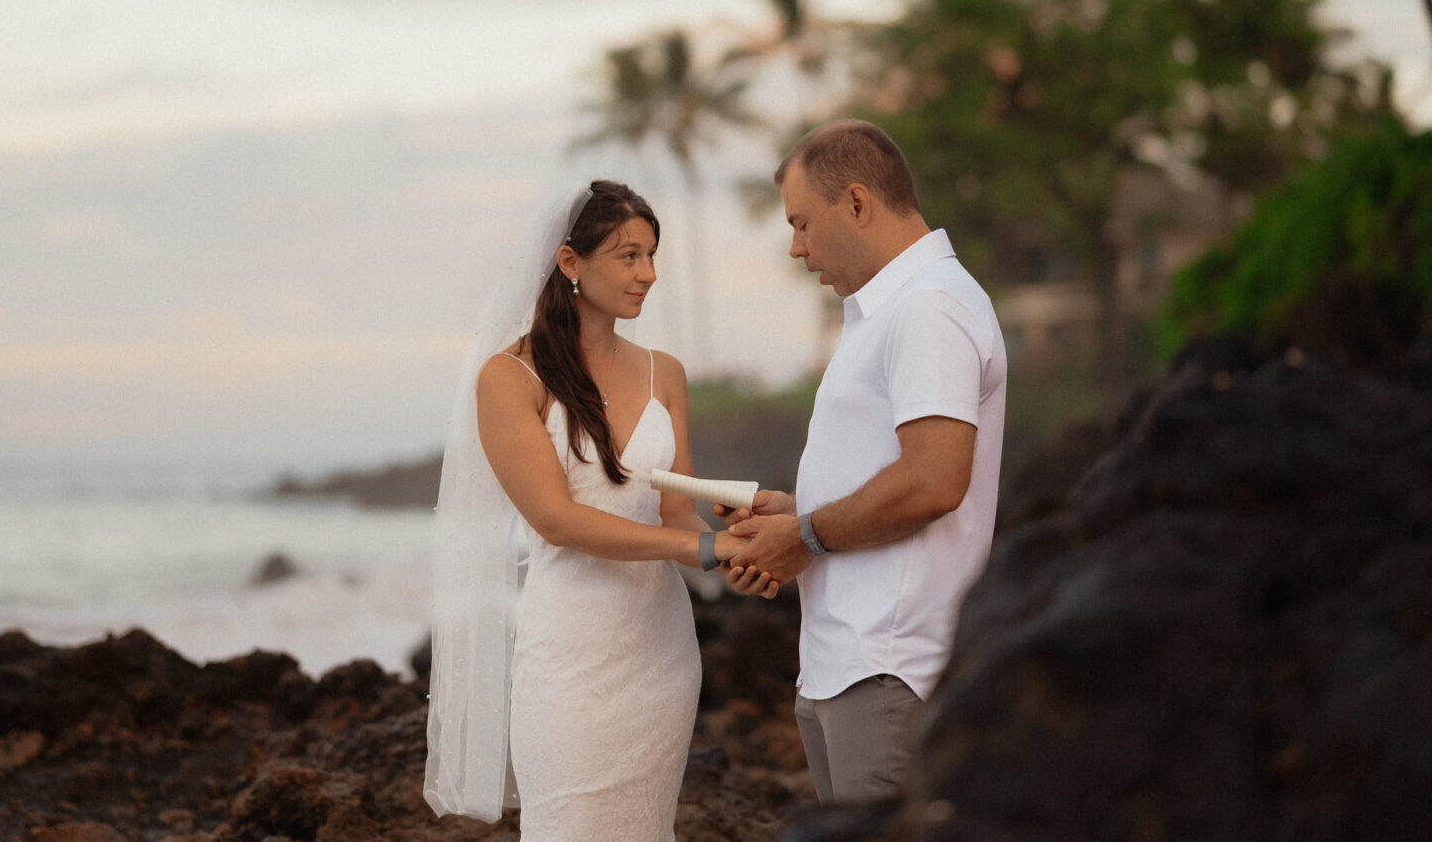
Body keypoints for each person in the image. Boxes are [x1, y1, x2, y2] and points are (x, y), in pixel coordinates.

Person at [424, 180, 768, 839]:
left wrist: (740, 549)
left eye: (651, 254)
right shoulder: (509, 377)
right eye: (628, 255)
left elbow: (678, 512)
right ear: (570, 262)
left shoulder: (665, 371)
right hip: (572, 661)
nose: (649, 272)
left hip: (662, 654)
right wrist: (701, 550)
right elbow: (555, 519)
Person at [723, 119, 1008, 804]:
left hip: (889, 666)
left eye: (801, 224)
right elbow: (895, 469)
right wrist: (792, 515)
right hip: (844, 664)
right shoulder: (884, 312)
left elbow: (936, 480)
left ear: (856, 203)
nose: (795, 248)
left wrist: (806, 535)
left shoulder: (929, 307)